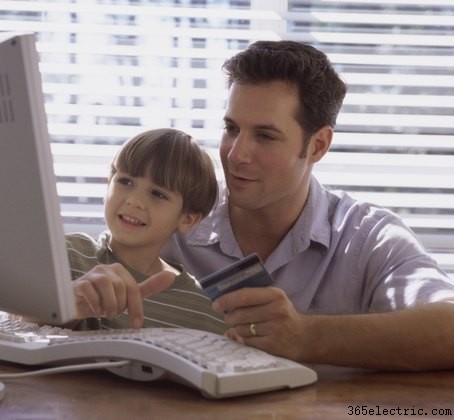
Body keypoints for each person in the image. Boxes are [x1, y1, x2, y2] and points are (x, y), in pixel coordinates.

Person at [160, 40, 454, 371]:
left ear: (318, 145)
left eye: (265, 136)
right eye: (231, 129)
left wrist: (306, 336)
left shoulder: (369, 237)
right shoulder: (168, 221)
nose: (236, 155)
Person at [14, 128, 226, 335]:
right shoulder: (64, 255)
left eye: (158, 194)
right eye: (125, 181)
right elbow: (12, 327)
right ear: (109, 184)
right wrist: (65, 304)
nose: (134, 200)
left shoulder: (203, 309)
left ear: (188, 218)